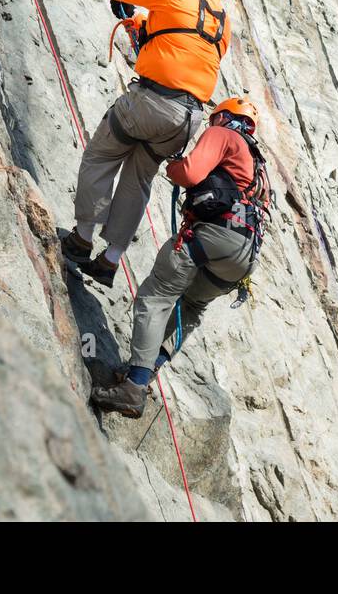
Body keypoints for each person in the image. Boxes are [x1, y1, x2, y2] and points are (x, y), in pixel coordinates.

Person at [61, 0, 238, 288]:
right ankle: (109, 261)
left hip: (152, 101)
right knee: (138, 179)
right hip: (187, 119)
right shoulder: (223, 24)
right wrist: (138, 23)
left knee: (102, 155)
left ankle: (81, 240)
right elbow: (185, 42)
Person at [91, 97, 271, 417]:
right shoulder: (257, 165)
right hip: (244, 256)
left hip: (212, 237)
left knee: (156, 296)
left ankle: (134, 385)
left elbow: (190, 172)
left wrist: (173, 166)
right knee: (192, 305)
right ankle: (150, 367)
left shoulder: (223, 134)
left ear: (223, 116)